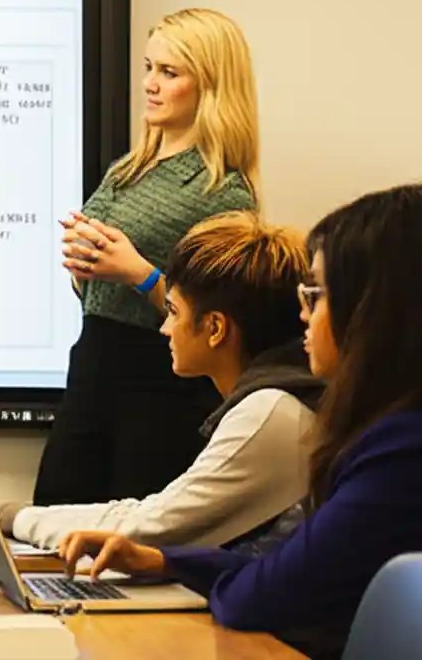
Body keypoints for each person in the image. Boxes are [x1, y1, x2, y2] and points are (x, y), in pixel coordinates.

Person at [58, 184, 422, 659]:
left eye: (316, 294)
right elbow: (279, 564)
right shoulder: (383, 431)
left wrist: (182, 563)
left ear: (371, 311)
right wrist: (167, 561)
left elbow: (261, 594)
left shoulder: (399, 448)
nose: (303, 314)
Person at [0, 212, 321, 553]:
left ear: (214, 329)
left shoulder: (270, 411)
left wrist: (10, 518)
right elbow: (149, 513)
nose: (164, 330)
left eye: (172, 312)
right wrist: (9, 516)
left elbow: (150, 526)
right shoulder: (270, 402)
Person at [34, 7, 262, 505]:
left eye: (169, 72)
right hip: (94, 366)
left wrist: (136, 273)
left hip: (158, 388)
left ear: (210, 85)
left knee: (124, 550)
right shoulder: (129, 169)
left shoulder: (224, 191)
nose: (150, 84)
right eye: (148, 67)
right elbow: (96, 288)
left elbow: (220, 321)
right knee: (51, 524)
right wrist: (84, 266)